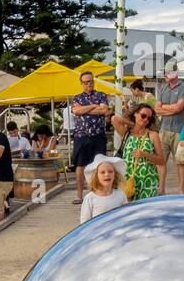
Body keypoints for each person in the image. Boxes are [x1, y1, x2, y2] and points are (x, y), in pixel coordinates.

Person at [69, 69, 111, 204]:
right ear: (81, 83)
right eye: (86, 82)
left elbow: (104, 110)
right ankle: (79, 195)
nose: (89, 84)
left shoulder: (101, 95)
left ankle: (100, 193)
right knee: (80, 165)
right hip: (81, 136)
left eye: (91, 81)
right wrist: (94, 106)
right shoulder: (76, 98)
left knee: (100, 164)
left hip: (98, 135)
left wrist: (85, 109)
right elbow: (76, 110)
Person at [155, 65, 184, 194]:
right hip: (163, 130)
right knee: (160, 161)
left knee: (181, 161)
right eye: (164, 73)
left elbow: (179, 108)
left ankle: (181, 190)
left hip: (180, 130)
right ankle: (161, 190)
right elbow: (157, 109)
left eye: (166, 73)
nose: (164, 75)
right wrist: (171, 108)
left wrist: (164, 108)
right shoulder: (163, 88)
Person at [117, 103, 164, 199]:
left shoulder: (153, 135)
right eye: (143, 116)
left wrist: (145, 154)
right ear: (135, 114)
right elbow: (114, 119)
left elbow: (161, 161)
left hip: (148, 180)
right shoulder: (126, 133)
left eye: (149, 118)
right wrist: (135, 124)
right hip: (128, 180)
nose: (146, 119)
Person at [80, 155, 128, 222]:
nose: (107, 174)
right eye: (102, 172)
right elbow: (84, 222)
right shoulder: (90, 198)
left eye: (110, 171)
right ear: (96, 176)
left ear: (115, 175)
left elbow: (127, 215)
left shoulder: (120, 194)